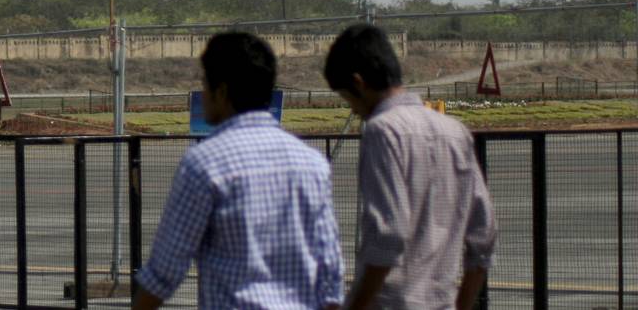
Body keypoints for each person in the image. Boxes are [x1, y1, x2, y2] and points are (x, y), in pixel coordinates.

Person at [134, 32, 342, 310]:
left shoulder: (205, 164)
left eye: (205, 84)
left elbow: (164, 271)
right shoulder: (312, 164)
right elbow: (329, 272)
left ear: (221, 92)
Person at [325, 24, 496, 310]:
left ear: (358, 83)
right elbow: (483, 233)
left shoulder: (382, 130)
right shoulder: (454, 130)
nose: (354, 111)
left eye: (348, 100)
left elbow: (388, 233)